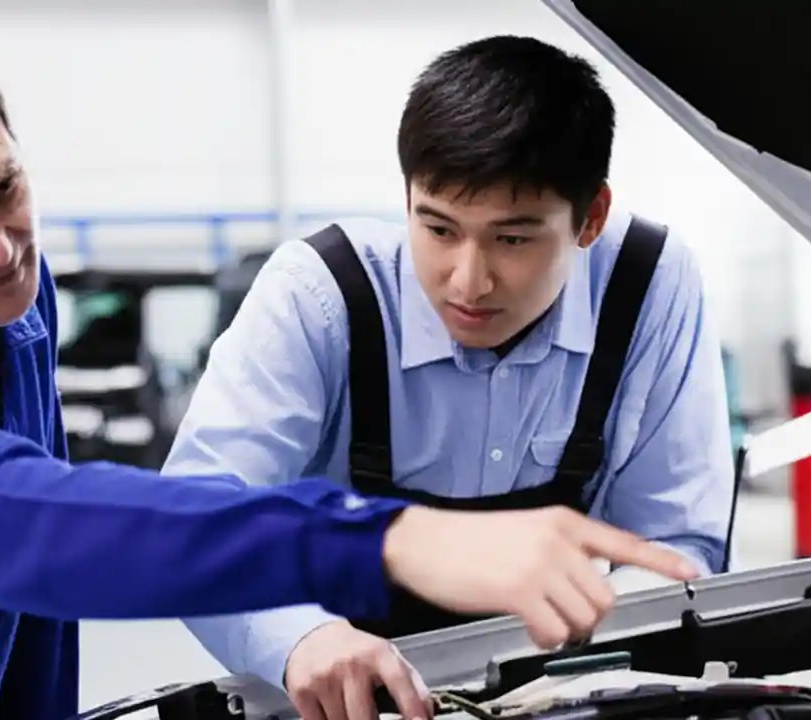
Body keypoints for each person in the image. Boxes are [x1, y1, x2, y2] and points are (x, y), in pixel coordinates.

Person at [0, 17, 697, 720]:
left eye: (4, 191)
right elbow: (20, 528)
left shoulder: (8, 301)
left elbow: (22, 615)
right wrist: (389, 537)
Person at [164, 35, 736, 720]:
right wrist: (300, 638)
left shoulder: (650, 286)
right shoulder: (317, 297)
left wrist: (600, 653)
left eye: (513, 238)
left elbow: (676, 544)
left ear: (591, 218)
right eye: (437, 228)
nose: (469, 281)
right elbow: (195, 521)